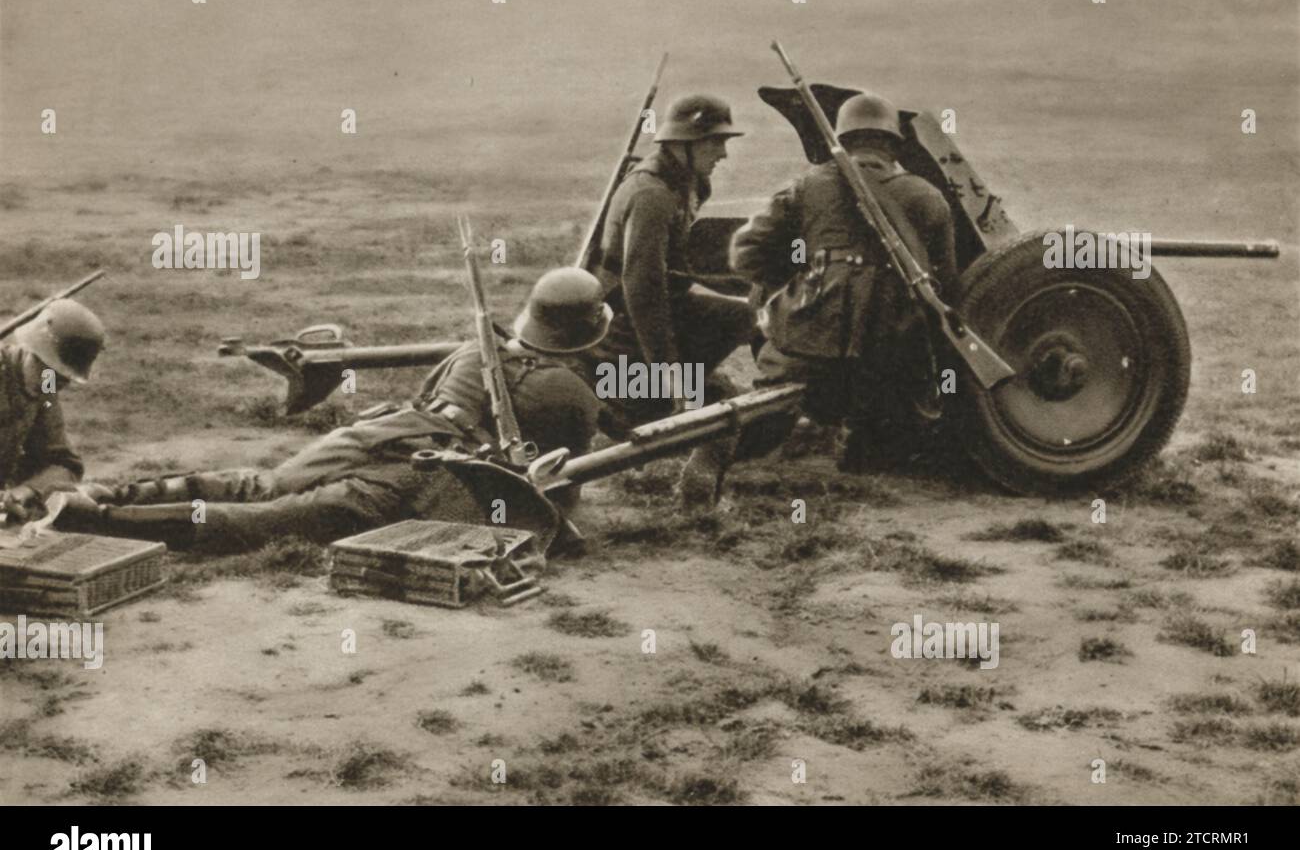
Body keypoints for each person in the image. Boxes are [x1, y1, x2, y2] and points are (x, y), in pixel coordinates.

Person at [59, 268, 610, 553]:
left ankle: (112, 496)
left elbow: (425, 400)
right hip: (431, 479)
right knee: (268, 523)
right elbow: (558, 493)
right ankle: (103, 521)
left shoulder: (473, 349)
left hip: (386, 430)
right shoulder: (571, 393)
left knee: (261, 486)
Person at [730, 92, 959, 473]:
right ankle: (865, 445)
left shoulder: (807, 187)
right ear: (892, 143)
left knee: (764, 416)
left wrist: (790, 286)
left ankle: (746, 442)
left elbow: (745, 253)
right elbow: (949, 287)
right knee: (889, 446)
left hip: (806, 343)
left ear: (841, 140)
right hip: (890, 354)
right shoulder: (928, 197)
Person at [585, 93, 756, 506]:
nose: (724, 153)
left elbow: (676, 265)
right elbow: (641, 289)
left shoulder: (684, 183)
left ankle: (664, 393)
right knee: (725, 338)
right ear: (684, 143)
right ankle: (641, 404)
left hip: (636, 312)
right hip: (621, 320)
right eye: (715, 142)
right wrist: (671, 371)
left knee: (741, 317)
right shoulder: (652, 195)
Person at [0, 298, 106, 522]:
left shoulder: (42, 389)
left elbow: (64, 464)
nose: (55, 385)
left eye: (63, 379)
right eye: (51, 372)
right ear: (30, 352)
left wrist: (25, 491)